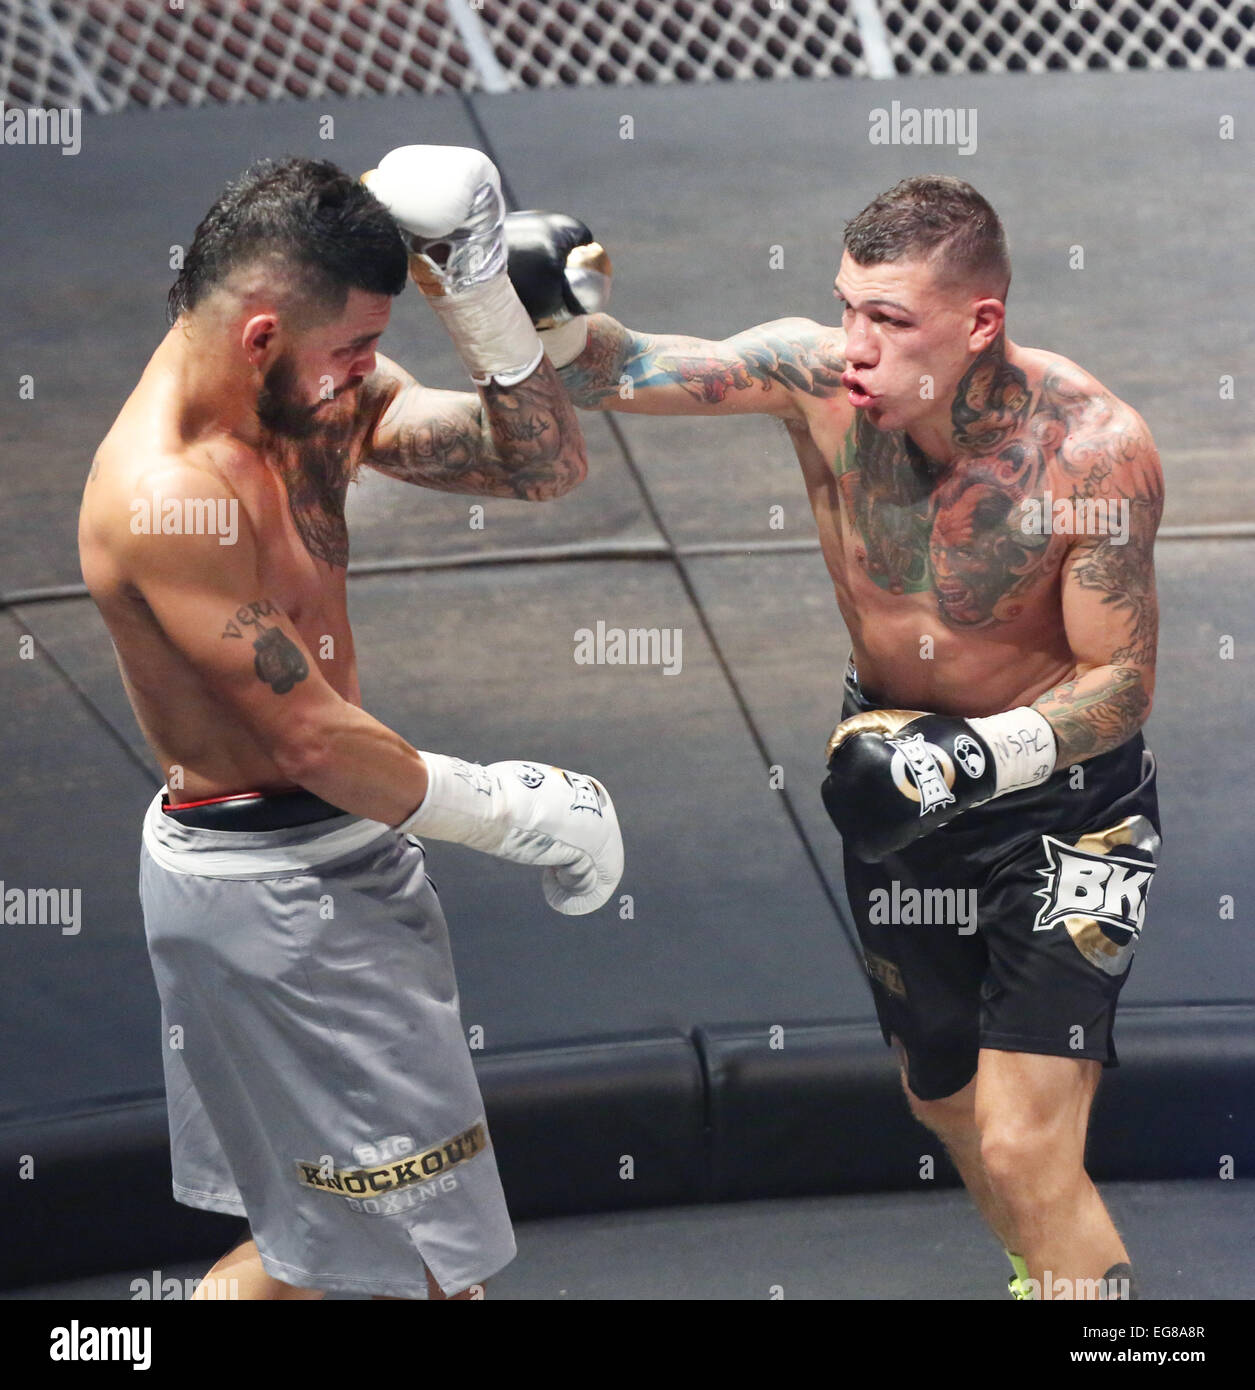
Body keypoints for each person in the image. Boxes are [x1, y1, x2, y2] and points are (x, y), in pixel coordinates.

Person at [510, 176, 1162, 1300]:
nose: (854, 345)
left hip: (1067, 817)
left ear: (980, 324)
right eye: (846, 306)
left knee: (1022, 1143)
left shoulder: (1091, 452)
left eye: (891, 320)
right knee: (940, 1094)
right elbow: (615, 371)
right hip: (894, 792)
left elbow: (1120, 682)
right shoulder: (812, 376)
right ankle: (1043, 1271)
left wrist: (969, 759)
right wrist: (517, 300)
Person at [78, 147, 623, 1301]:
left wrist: (480, 299)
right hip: (278, 890)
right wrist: (523, 813)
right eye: (354, 351)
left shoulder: (309, 393)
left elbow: (540, 465)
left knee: (306, 1255)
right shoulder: (164, 495)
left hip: (312, 868)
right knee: (426, 1269)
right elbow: (309, 741)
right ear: (263, 334)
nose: (368, 374)